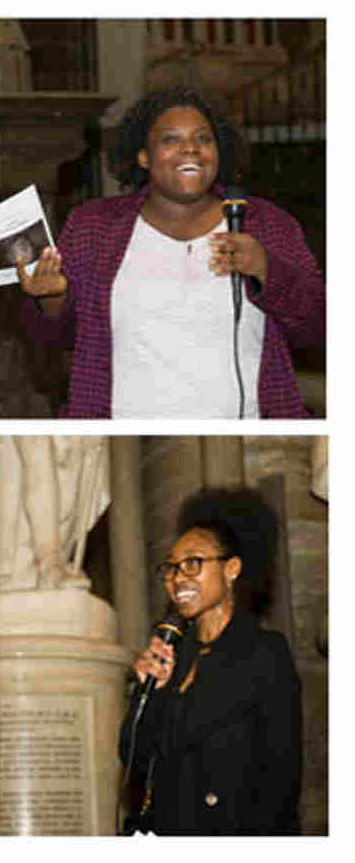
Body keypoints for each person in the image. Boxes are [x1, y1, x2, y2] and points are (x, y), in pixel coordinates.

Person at [17, 86, 324, 418]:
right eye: (170, 140)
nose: (190, 148)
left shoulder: (267, 224)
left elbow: (319, 327)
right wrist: (51, 299)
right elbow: (49, 342)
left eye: (203, 139)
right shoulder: (94, 227)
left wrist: (267, 270)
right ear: (143, 156)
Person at [120, 487, 302, 834]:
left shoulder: (264, 654)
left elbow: (282, 783)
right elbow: (132, 760)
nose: (177, 577)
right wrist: (150, 692)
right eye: (171, 567)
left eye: (193, 562)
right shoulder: (170, 657)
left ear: (231, 568)